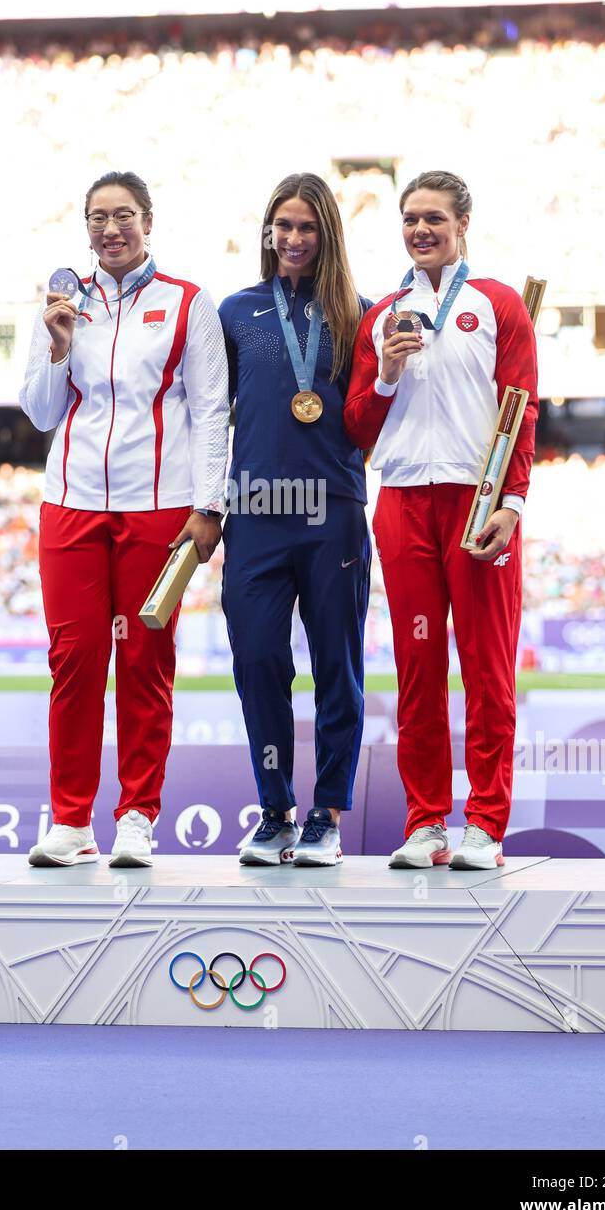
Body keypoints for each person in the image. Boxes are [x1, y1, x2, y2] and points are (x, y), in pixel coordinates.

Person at [19, 170, 229, 868]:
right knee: (74, 661)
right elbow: (43, 412)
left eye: (124, 215)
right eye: (98, 217)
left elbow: (210, 412)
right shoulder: (61, 303)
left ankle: (137, 817)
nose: (111, 229)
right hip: (71, 503)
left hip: (157, 505)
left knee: (145, 660)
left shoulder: (187, 303)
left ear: (148, 220)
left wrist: (209, 505)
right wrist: (54, 347)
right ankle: (71, 820)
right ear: (86, 227)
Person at [343, 170, 538, 871]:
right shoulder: (381, 315)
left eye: (433, 218)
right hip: (403, 503)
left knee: (487, 672)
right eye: (409, 219)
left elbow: (522, 409)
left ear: (462, 224)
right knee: (417, 671)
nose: (420, 230)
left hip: (475, 502)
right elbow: (358, 427)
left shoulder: (496, 304)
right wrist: (386, 373)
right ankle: (425, 822)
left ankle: (485, 824)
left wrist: (511, 504)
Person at [218, 173, 373, 867]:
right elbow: (203, 416)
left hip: (332, 513)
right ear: (267, 231)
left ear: (327, 235)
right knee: (258, 663)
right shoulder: (234, 312)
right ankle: (275, 807)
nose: (293, 238)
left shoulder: (359, 315)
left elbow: (376, 416)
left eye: (307, 226)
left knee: (335, 667)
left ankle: (327, 813)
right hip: (253, 515)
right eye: (283, 225)